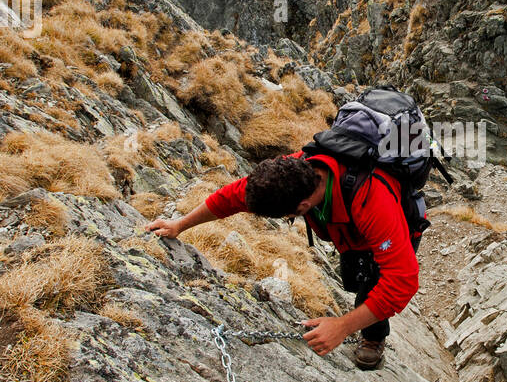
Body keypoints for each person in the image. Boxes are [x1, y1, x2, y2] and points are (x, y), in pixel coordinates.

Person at [146, 152, 421, 369]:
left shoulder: (370, 200)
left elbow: (403, 280)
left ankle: (373, 337)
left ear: (301, 208)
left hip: (393, 228)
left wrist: (342, 326)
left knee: (372, 281)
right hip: (347, 232)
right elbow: (230, 198)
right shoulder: (291, 174)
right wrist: (179, 225)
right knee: (355, 277)